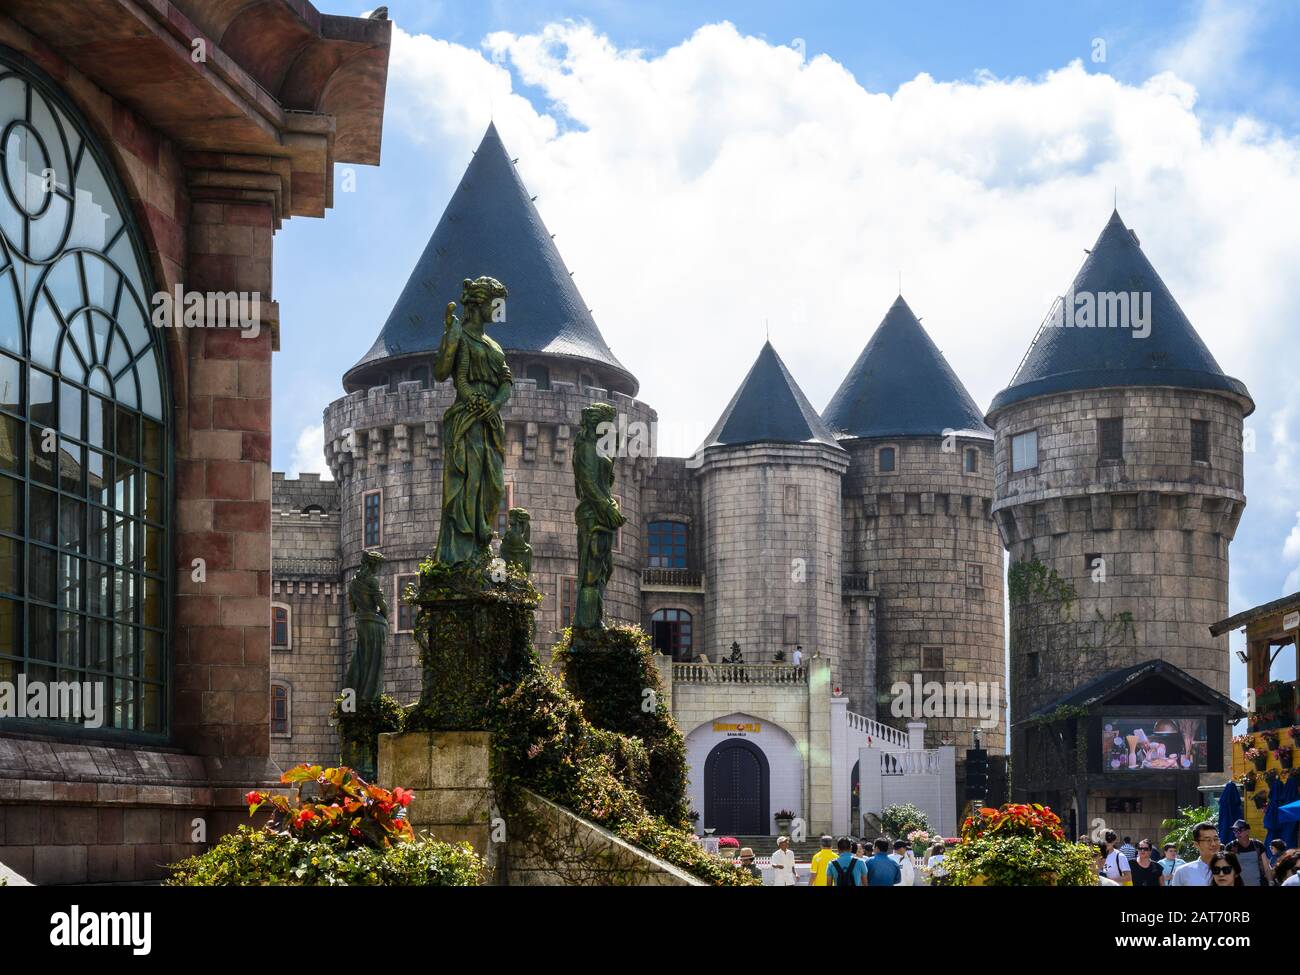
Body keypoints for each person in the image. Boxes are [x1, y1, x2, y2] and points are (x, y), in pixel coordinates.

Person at [1171, 822, 1218, 886]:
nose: (1213, 844)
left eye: (1216, 839)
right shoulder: (1183, 872)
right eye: (1208, 840)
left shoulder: (1230, 868)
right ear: (1196, 844)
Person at [1227, 820, 1272, 887]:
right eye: (1234, 830)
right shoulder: (1230, 847)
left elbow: (1266, 867)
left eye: (1239, 830)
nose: (1237, 833)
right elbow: (1227, 869)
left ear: (1247, 831)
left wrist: (1270, 882)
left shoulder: (1258, 845)